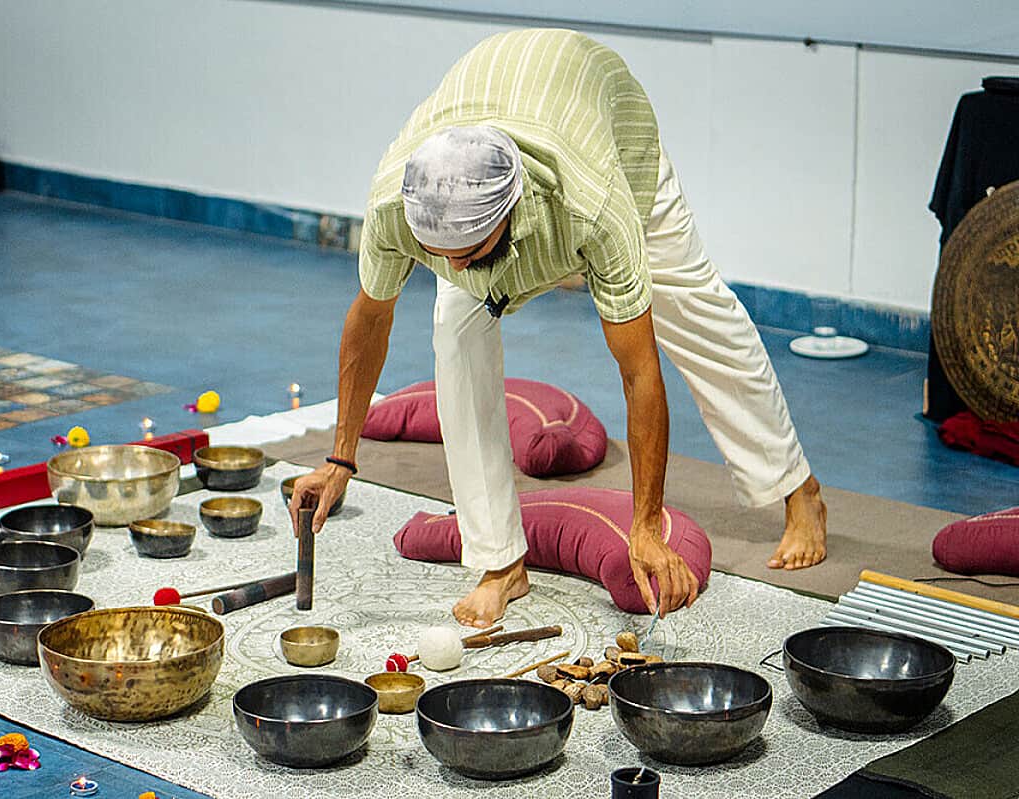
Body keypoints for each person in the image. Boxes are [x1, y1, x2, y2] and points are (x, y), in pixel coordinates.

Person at [288, 28, 828, 628]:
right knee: (454, 327)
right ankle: (500, 563)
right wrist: (341, 457)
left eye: (467, 251)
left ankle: (797, 489)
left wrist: (644, 524)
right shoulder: (399, 205)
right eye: (437, 253)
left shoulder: (592, 207)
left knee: (692, 306)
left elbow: (638, 371)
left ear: (509, 211)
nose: (453, 266)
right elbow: (371, 319)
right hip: (497, 105)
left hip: (612, 133)